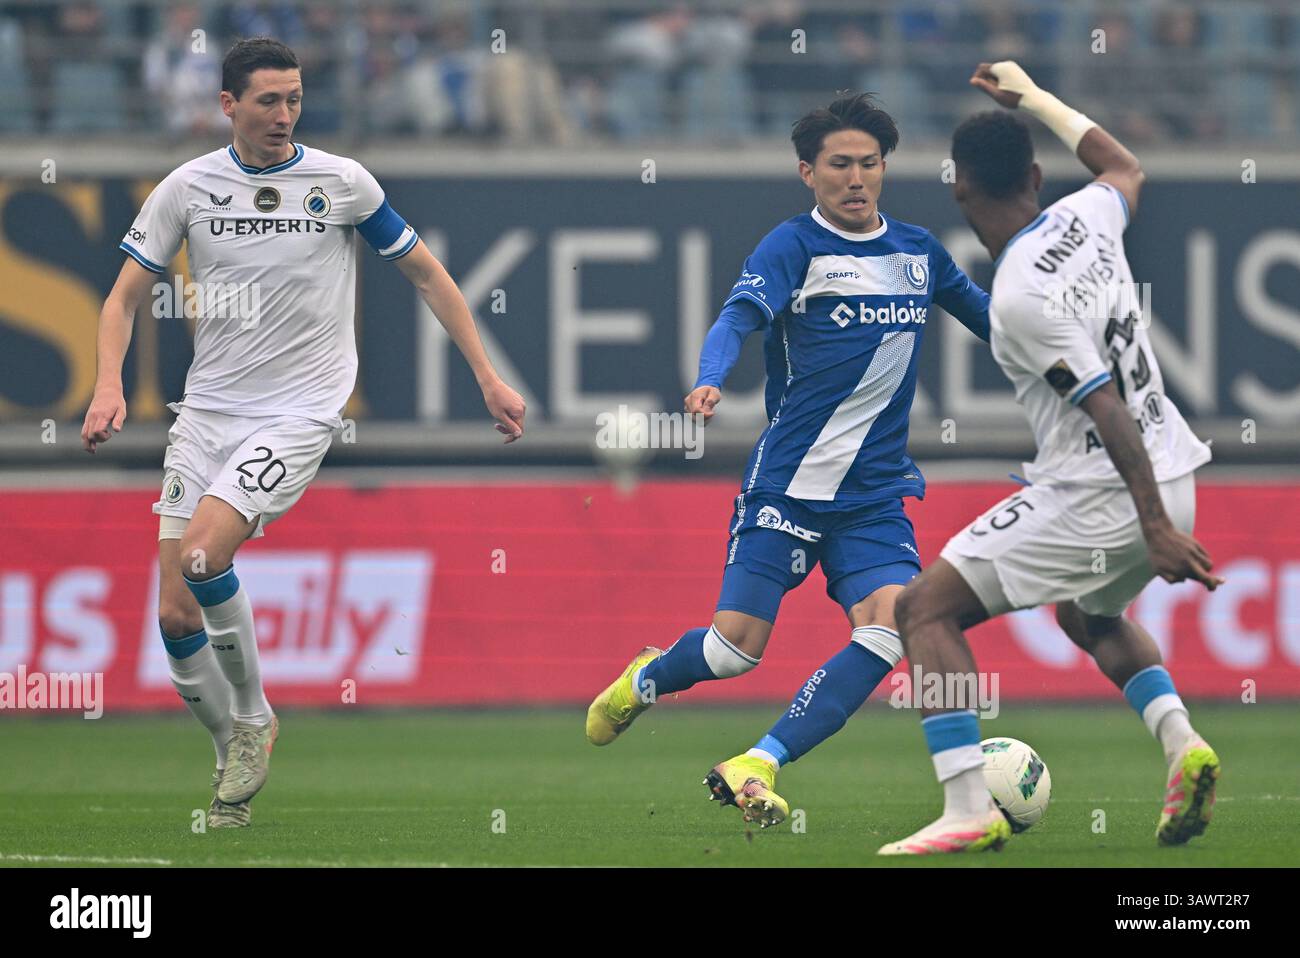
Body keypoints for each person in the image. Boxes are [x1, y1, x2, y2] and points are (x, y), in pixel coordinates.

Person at [81, 37, 526, 828]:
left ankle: (253, 716)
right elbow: (120, 299)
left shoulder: (341, 181)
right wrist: (108, 383)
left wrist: (488, 377)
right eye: (267, 101)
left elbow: (426, 272)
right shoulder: (186, 188)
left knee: (203, 554)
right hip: (207, 412)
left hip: (299, 410)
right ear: (228, 106)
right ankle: (230, 756)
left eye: (293, 98)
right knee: (175, 618)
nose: (285, 115)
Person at [585, 93, 991, 828]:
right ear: (808, 171)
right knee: (735, 651)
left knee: (892, 625)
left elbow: (990, 320)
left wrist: (1060, 363)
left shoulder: (919, 253)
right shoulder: (792, 247)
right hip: (790, 486)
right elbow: (738, 315)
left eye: (870, 163)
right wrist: (711, 373)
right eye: (840, 165)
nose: (857, 178)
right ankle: (646, 677)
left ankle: (759, 760)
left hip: (871, 497)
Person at [879, 61, 1219, 856]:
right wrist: (1032, 98)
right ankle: (1182, 744)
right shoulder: (1087, 217)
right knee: (1087, 613)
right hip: (1176, 471)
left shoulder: (1020, 296)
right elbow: (1123, 164)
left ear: (959, 192)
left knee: (923, 608)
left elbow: (1104, 411)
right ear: (1036, 175)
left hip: (1114, 492)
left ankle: (965, 804)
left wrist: (1155, 528)